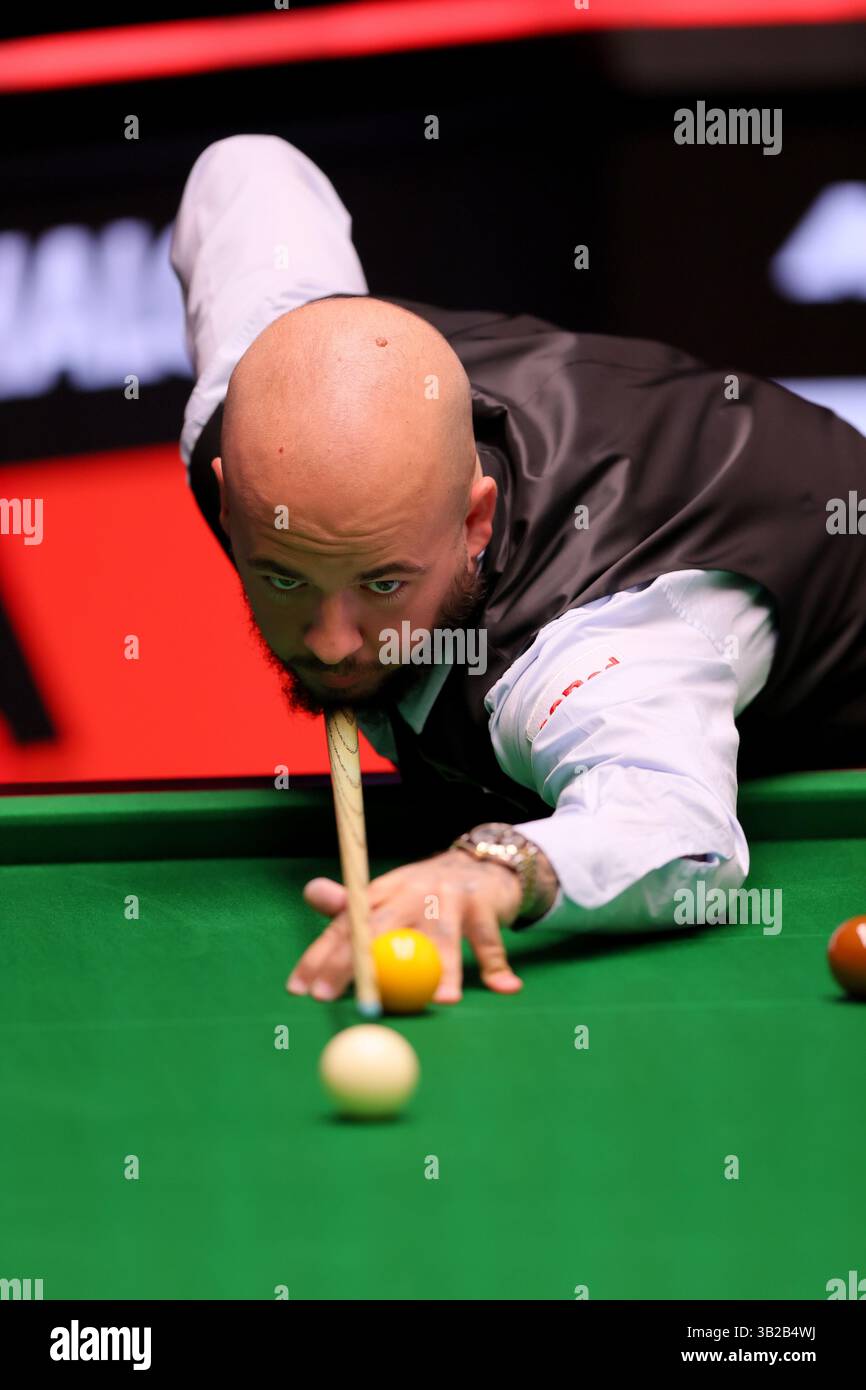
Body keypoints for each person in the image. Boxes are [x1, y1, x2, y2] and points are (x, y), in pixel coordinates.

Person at [170, 135, 866, 1005]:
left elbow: (680, 832)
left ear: (475, 519)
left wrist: (493, 871)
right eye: (284, 579)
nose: (330, 640)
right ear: (232, 501)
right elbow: (246, 168)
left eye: (383, 585)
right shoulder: (252, 401)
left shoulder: (587, 647)